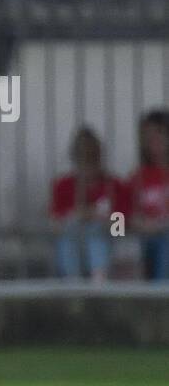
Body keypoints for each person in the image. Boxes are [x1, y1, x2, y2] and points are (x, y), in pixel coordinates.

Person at [50, 126, 124, 281]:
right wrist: (77, 215)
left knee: (96, 235)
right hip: (73, 240)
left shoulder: (114, 185)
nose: (88, 164)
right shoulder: (63, 185)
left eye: (92, 157)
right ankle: (73, 283)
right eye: (83, 157)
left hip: (107, 241)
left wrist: (104, 220)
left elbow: (122, 227)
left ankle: (99, 282)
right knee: (69, 233)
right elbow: (55, 225)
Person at [128, 110, 169, 280]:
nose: (153, 140)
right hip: (143, 237)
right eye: (148, 135)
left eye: (159, 133)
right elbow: (117, 216)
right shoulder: (137, 177)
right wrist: (132, 223)